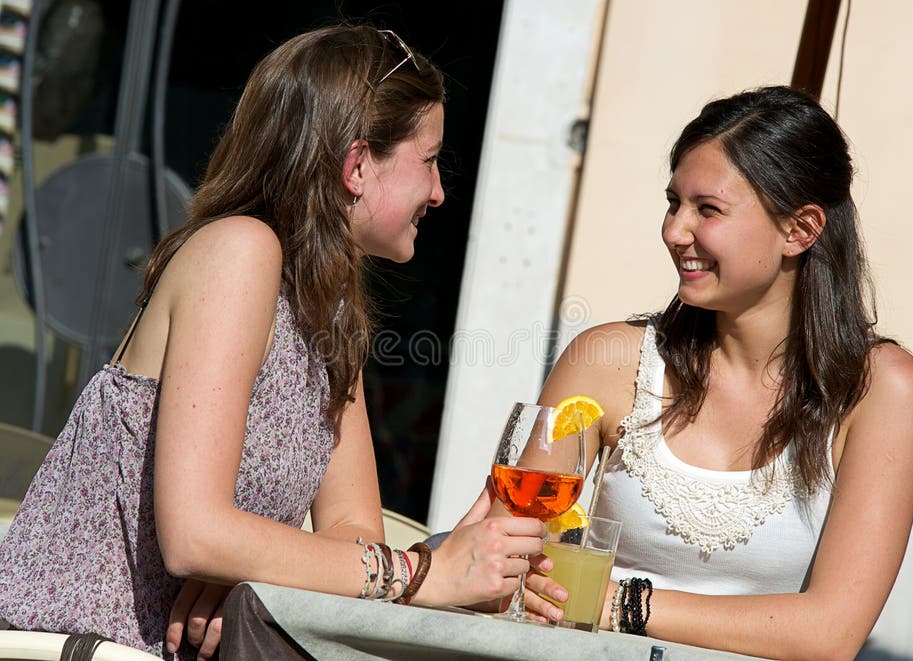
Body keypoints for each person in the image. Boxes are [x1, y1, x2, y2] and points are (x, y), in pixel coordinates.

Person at [0, 25, 546, 659]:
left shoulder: (331, 307)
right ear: (358, 164)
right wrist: (425, 575)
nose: (438, 191)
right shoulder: (239, 252)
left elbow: (352, 531)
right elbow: (195, 534)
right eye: (428, 160)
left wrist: (250, 568)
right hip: (76, 644)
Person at [527, 86, 913, 659]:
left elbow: (830, 633)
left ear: (801, 229)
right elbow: (511, 554)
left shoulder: (882, 390)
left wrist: (617, 603)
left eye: (707, 209)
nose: (674, 230)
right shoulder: (608, 361)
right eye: (673, 202)